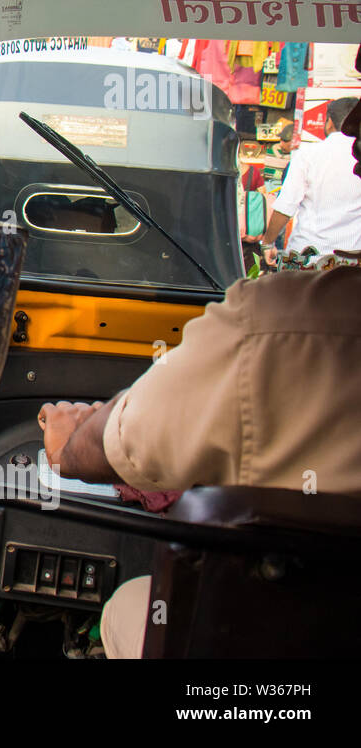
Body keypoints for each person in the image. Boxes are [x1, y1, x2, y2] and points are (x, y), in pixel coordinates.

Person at [38, 99, 361, 658]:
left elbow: (121, 444)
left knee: (129, 605)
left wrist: (69, 445)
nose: (353, 141)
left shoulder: (283, 320)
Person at [260, 97, 361, 260]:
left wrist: (268, 244)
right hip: (352, 260)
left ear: (329, 122)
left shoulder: (308, 154)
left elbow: (286, 206)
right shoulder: (357, 155)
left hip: (308, 257)